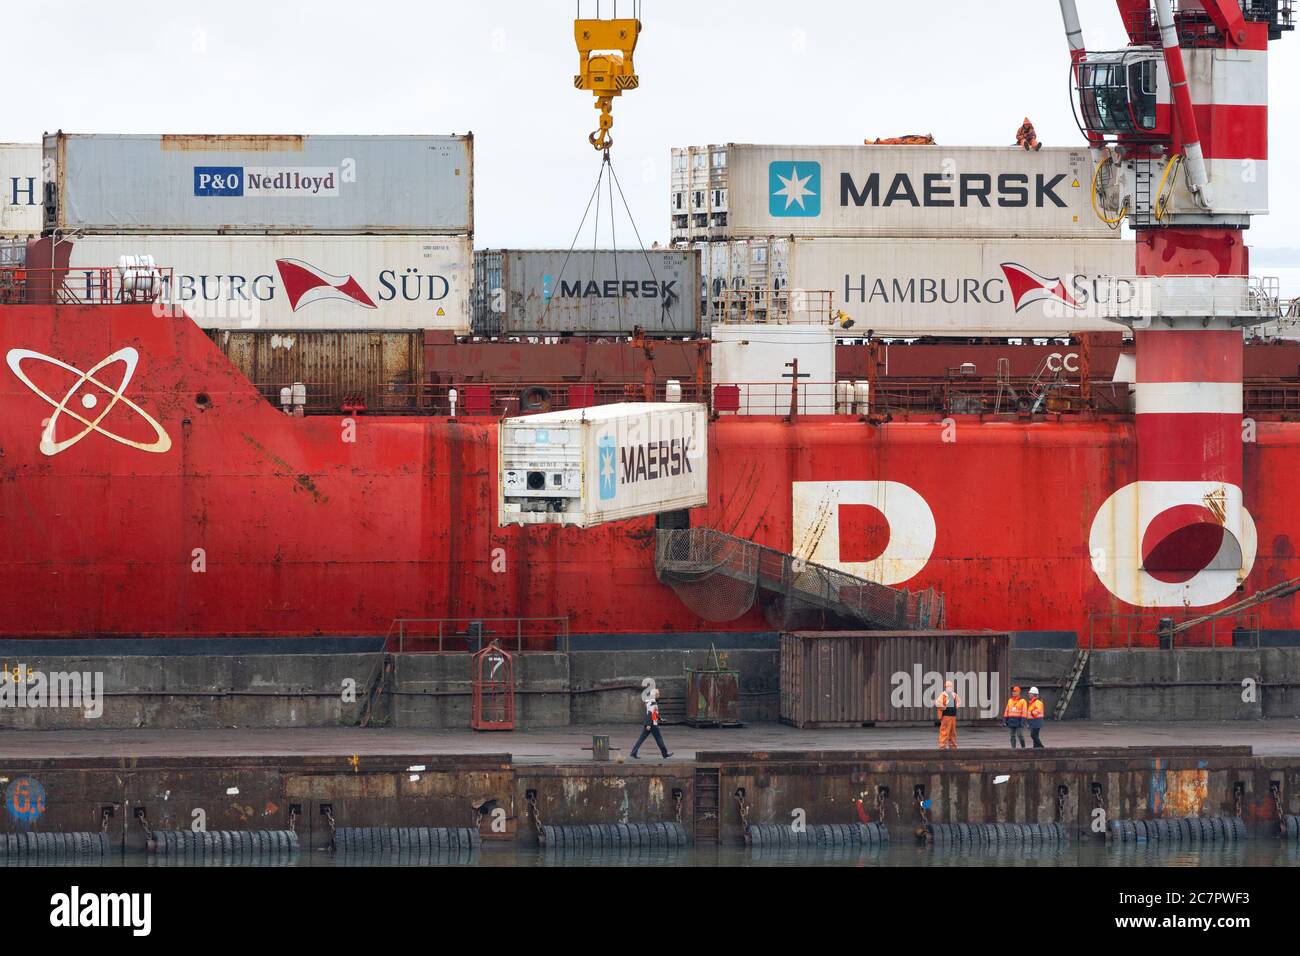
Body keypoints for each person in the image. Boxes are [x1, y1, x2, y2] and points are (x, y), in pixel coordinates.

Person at [630, 688, 673, 760]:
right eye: (658, 694)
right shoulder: (653, 702)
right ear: (654, 695)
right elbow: (650, 713)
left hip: (650, 723)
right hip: (652, 724)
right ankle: (665, 754)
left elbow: (654, 713)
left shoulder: (651, 701)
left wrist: (660, 718)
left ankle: (633, 753)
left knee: (641, 739)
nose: (659, 695)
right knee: (659, 739)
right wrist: (649, 724)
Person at [936, 680, 960, 750]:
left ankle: (953, 746)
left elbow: (959, 701)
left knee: (953, 731)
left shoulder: (954, 695)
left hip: (953, 716)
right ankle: (942, 745)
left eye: (950, 687)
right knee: (944, 731)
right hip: (946, 715)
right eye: (948, 687)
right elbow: (938, 703)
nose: (949, 688)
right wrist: (943, 707)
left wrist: (956, 706)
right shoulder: (943, 695)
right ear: (945, 687)